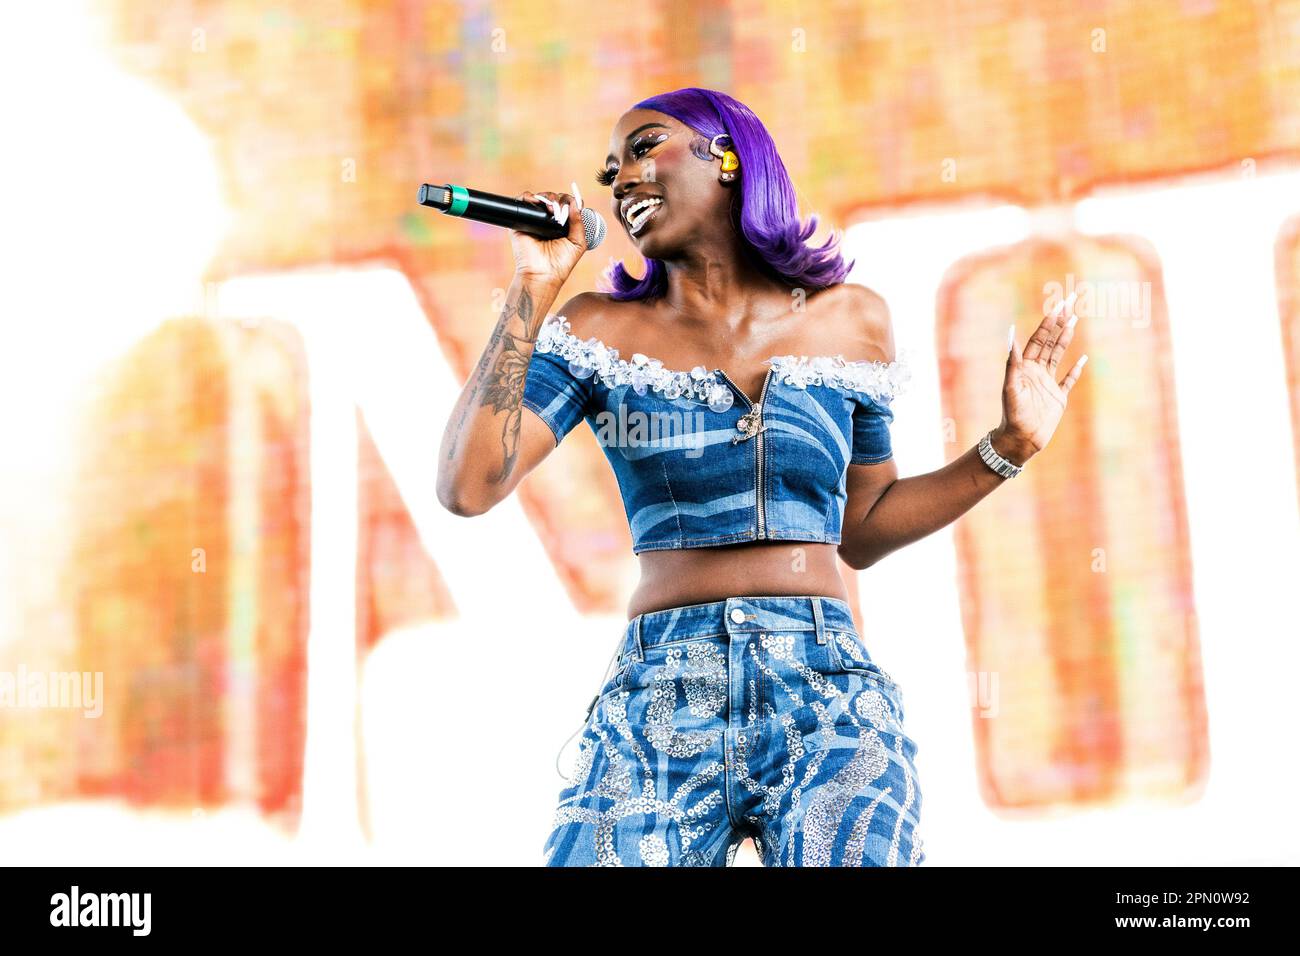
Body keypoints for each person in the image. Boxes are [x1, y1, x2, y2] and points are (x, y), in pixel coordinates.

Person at [436, 87, 1087, 867]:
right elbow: (468, 485)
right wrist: (532, 288)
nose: (621, 179)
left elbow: (863, 528)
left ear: (728, 156)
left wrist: (1008, 446)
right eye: (611, 172)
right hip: (661, 694)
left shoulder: (850, 319)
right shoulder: (598, 330)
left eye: (644, 148)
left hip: (827, 695)